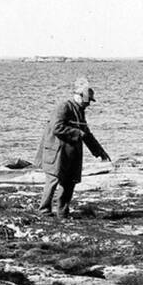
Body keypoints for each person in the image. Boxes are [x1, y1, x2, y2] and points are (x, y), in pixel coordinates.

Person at [35, 77, 110, 218]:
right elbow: (57, 128)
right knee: (53, 181)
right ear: (79, 96)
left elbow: (86, 134)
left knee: (69, 182)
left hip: (70, 155)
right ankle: (44, 211)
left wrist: (100, 152)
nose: (88, 104)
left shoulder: (80, 110)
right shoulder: (63, 107)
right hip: (56, 153)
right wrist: (77, 133)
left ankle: (62, 212)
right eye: (87, 100)